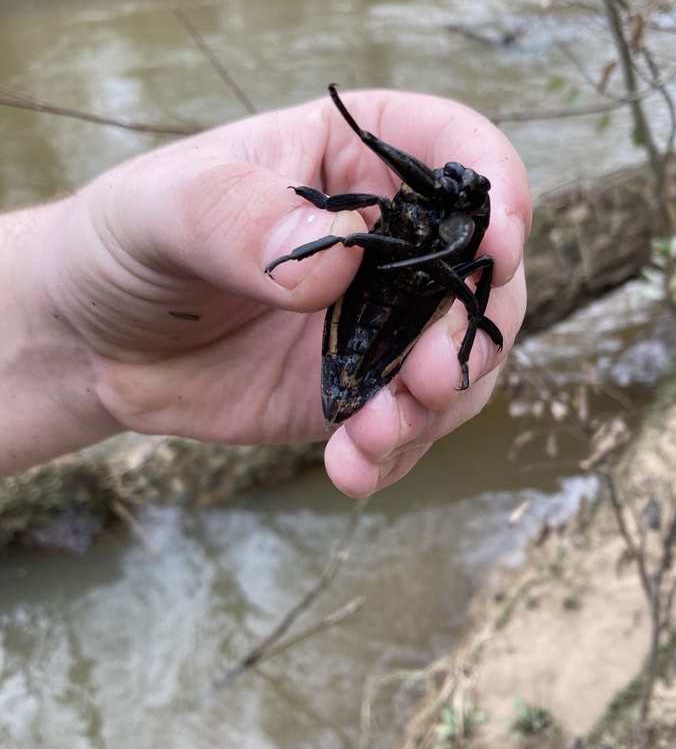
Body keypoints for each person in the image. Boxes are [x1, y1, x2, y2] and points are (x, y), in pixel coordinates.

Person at [0, 89, 530, 497]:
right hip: (381, 287)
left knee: (440, 268)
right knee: (355, 231)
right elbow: (376, 209)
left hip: (412, 301)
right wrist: (337, 176)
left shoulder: (466, 241)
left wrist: (470, 326)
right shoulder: (405, 204)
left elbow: (470, 267)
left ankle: (456, 340)